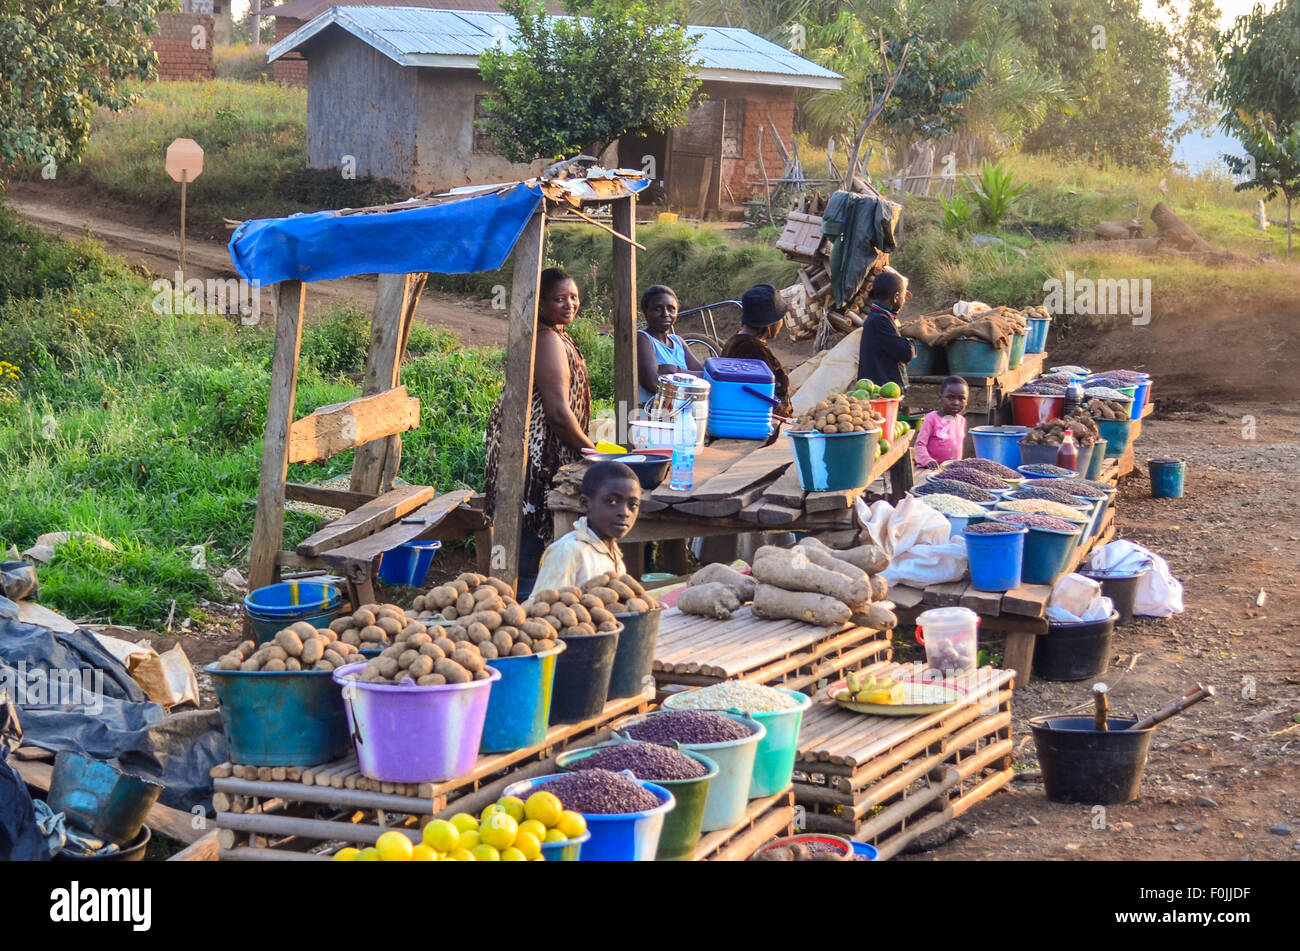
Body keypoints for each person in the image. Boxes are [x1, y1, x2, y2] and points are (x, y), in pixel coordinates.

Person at [484, 267, 593, 595]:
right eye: (559, 299)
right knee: (532, 535)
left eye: (573, 297)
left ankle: (524, 599)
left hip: (538, 448)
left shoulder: (555, 334)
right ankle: (524, 605)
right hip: (534, 454)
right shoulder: (546, 340)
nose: (569, 304)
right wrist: (594, 452)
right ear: (541, 303)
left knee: (530, 534)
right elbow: (558, 414)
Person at [532, 461, 640, 593]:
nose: (624, 513)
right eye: (611, 501)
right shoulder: (567, 552)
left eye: (632, 505)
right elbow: (543, 605)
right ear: (585, 504)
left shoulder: (613, 551)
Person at [719, 283, 792, 416]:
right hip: (758, 420)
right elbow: (768, 398)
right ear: (770, 323)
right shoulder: (753, 352)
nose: (781, 324)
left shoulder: (735, 342)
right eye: (780, 319)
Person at [636, 285, 703, 407]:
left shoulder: (678, 341)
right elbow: (652, 382)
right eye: (657, 309)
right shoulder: (642, 339)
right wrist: (688, 379)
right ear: (645, 311)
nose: (665, 314)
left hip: (681, 413)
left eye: (671, 309)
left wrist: (674, 371)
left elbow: (704, 376)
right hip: (652, 415)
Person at [857, 268, 915, 392]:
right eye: (903, 297)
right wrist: (911, 344)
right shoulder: (880, 321)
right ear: (896, 297)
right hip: (881, 393)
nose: (903, 301)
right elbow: (906, 353)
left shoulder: (877, 318)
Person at [914, 377, 969, 469]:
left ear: (967, 401)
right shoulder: (931, 418)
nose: (956, 402)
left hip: (952, 470)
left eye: (961, 399)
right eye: (950, 397)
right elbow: (920, 444)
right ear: (940, 397)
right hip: (930, 470)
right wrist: (927, 460)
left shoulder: (961, 420)